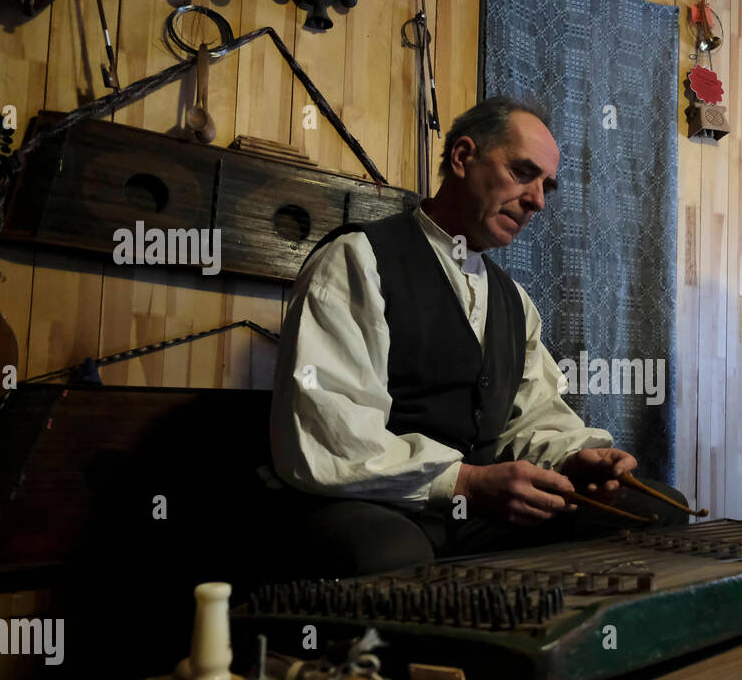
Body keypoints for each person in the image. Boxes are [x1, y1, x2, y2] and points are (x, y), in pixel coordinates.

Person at [270, 96, 686, 577]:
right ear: (463, 158)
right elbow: (329, 435)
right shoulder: (357, 261)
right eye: (523, 173)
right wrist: (466, 482)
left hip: (477, 515)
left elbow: (533, 418)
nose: (537, 201)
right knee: (388, 555)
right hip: (380, 504)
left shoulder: (513, 302)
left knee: (658, 508)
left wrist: (575, 459)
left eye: (546, 186)